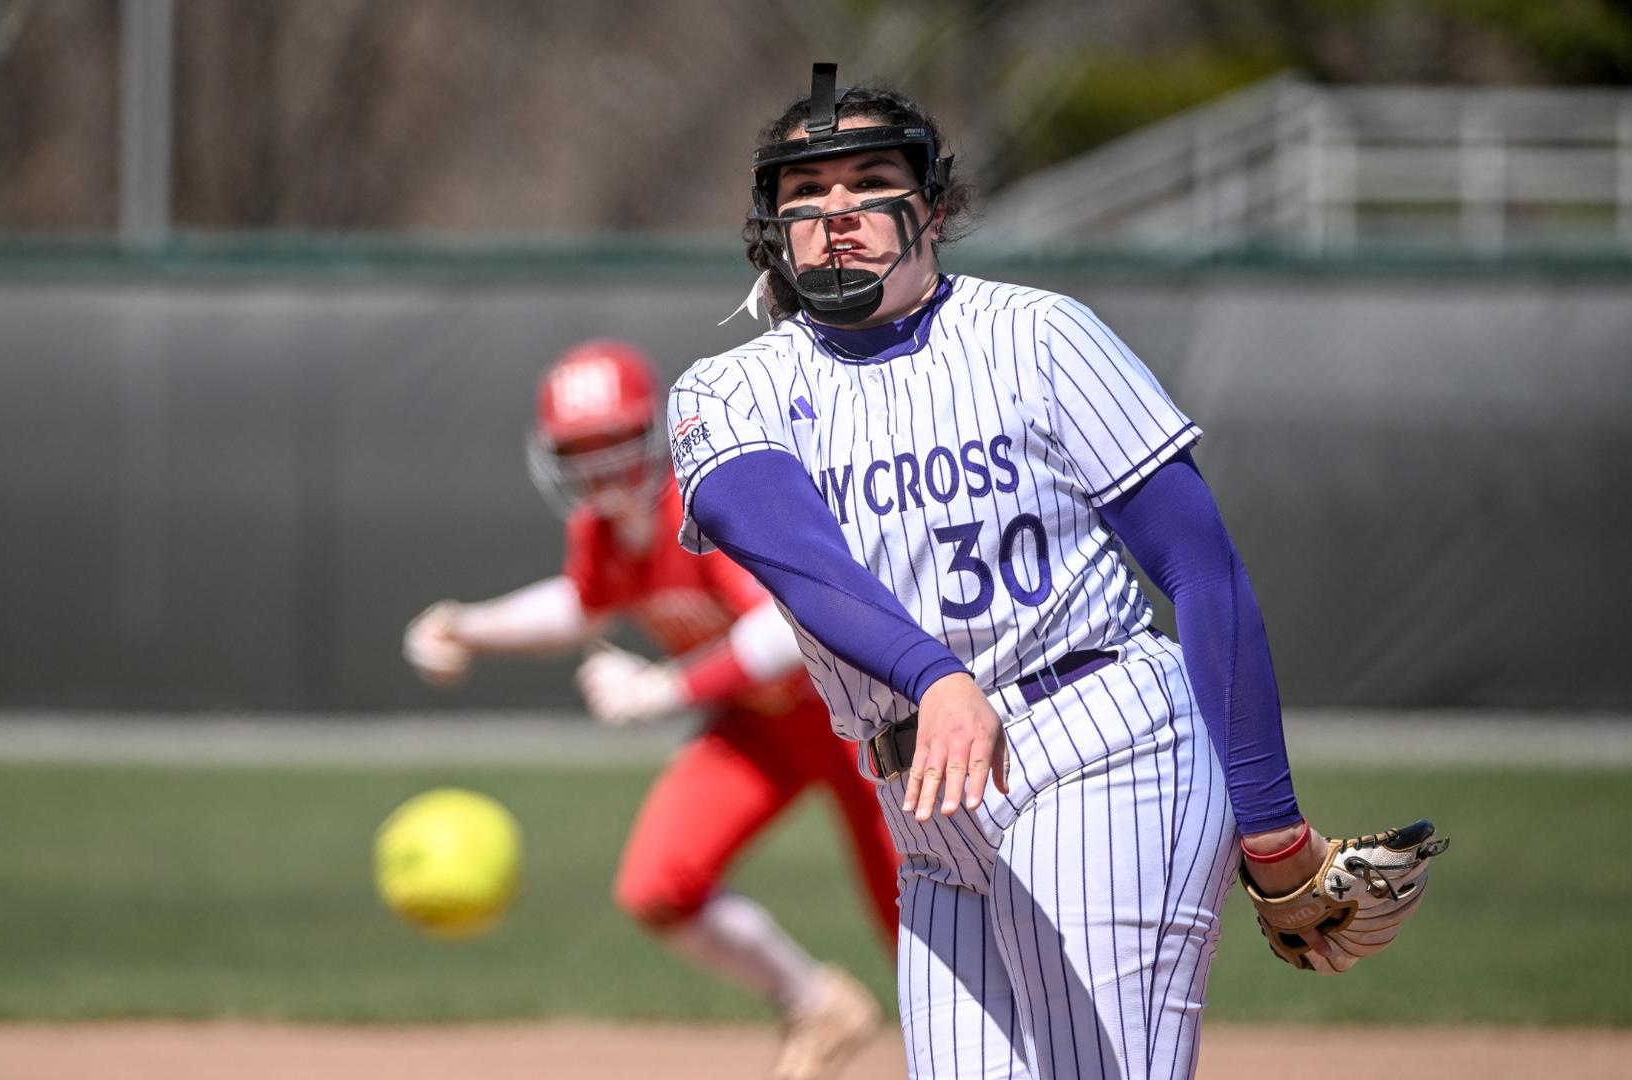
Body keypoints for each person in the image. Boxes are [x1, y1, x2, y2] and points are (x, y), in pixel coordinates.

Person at [665, 64, 1441, 1079]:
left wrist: (1273, 825)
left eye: (867, 182)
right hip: (929, 801)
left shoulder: (1039, 336)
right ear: (773, 228)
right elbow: (795, 552)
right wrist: (933, 673)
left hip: (1100, 744)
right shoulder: (729, 390)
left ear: (934, 204)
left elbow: (1202, 571)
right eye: (804, 195)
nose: (835, 214)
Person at [404, 339, 900, 1080]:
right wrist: (465, 625)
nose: (602, 469)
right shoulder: (602, 531)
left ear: (653, 433)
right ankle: (818, 1004)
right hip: (763, 730)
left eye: (616, 442)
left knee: (921, 929)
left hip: (860, 727)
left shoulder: (706, 502)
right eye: (580, 450)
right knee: (659, 884)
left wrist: (666, 689)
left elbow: (786, 630)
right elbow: (582, 604)